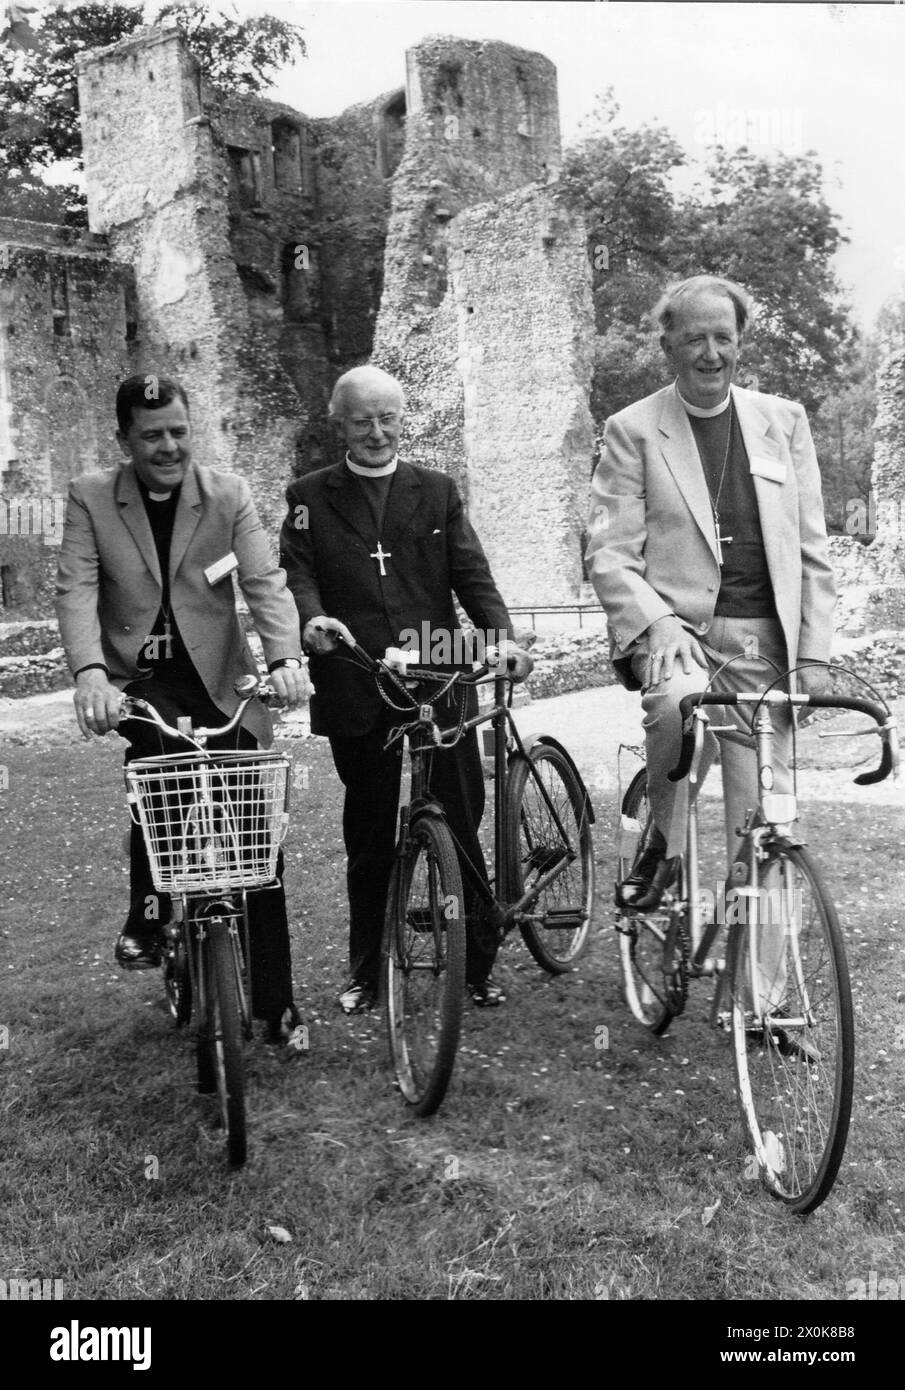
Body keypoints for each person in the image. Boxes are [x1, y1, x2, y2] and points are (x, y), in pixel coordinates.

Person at [55, 374, 307, 1043]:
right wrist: (90, 677)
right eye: (151, 436)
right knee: (159, 782)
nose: (168, 447)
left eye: (177, 432)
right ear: (124, 440)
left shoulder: (228, 495)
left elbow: (263, 581)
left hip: (221, 681)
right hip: (140, 685)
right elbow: (76, 591)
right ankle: (147, 914)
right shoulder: (89, 500)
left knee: (258, 834)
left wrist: (284, 659)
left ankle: (275, 1003)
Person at [278, 364, 532, 1014]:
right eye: (361, 420)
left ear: (402, 418)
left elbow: (471, 574)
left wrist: (499, 636)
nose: (375, 432)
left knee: (459, 825)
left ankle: (476, 967)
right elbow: (297, 572)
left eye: (387, 418)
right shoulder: (308, 495)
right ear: (339, 423)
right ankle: (366, 971)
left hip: (438, 680)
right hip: (358, 680)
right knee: (367, 836)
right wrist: (313, 621)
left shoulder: (436, 490)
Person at [586, 275, 836, 909]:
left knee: (767, 825)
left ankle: (762, 996)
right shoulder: (632, 429)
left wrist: (815, 656)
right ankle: (661, 849)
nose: (710, 354)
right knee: (675, 708)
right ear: (667, 343)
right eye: (694, 338)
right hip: (683, 638)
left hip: (766, 646)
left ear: (740, 343)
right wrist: (658, 624)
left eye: (723, 338)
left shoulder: (785, 422)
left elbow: (812, 551)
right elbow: (610, 552)